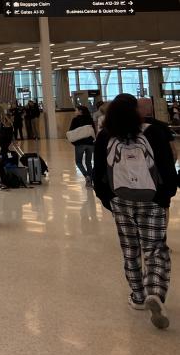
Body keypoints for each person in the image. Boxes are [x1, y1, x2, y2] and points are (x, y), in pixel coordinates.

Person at [93, 94, 178, 330]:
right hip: (153, 200)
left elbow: (97, 171)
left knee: (130, 249)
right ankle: (155, 292)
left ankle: (138, 297)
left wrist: (106, 199)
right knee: (155, 248)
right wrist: (166, 194)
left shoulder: (105, 135)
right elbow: (167, 166)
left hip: (121, 200)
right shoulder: (153, 132)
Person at [69, 105, 96, 187]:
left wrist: (74, 143)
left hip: (80, 144)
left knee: (78, 162)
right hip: (90, 144)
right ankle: (90, 181)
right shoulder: (90, 119)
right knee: (89, 163)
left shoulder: (75, 120)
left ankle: (86, 176)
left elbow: (71, 132)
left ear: (80, 111)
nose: (75, 112)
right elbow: (94, 131)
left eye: (76, 110)